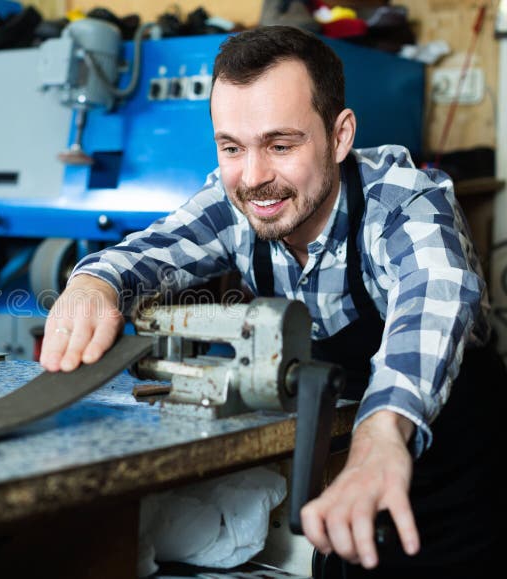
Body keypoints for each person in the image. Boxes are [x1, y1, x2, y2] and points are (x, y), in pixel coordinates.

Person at [39, 25, 505, 576]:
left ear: (340, 135)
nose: (254, 177)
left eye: (281, 145)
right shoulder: (235, 202)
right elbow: (149, 251)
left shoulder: (406, 203)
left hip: (463, 479)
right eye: (232, 147)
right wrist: (93, 284)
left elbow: (434, 303)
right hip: (342, 475)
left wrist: (381, 432)